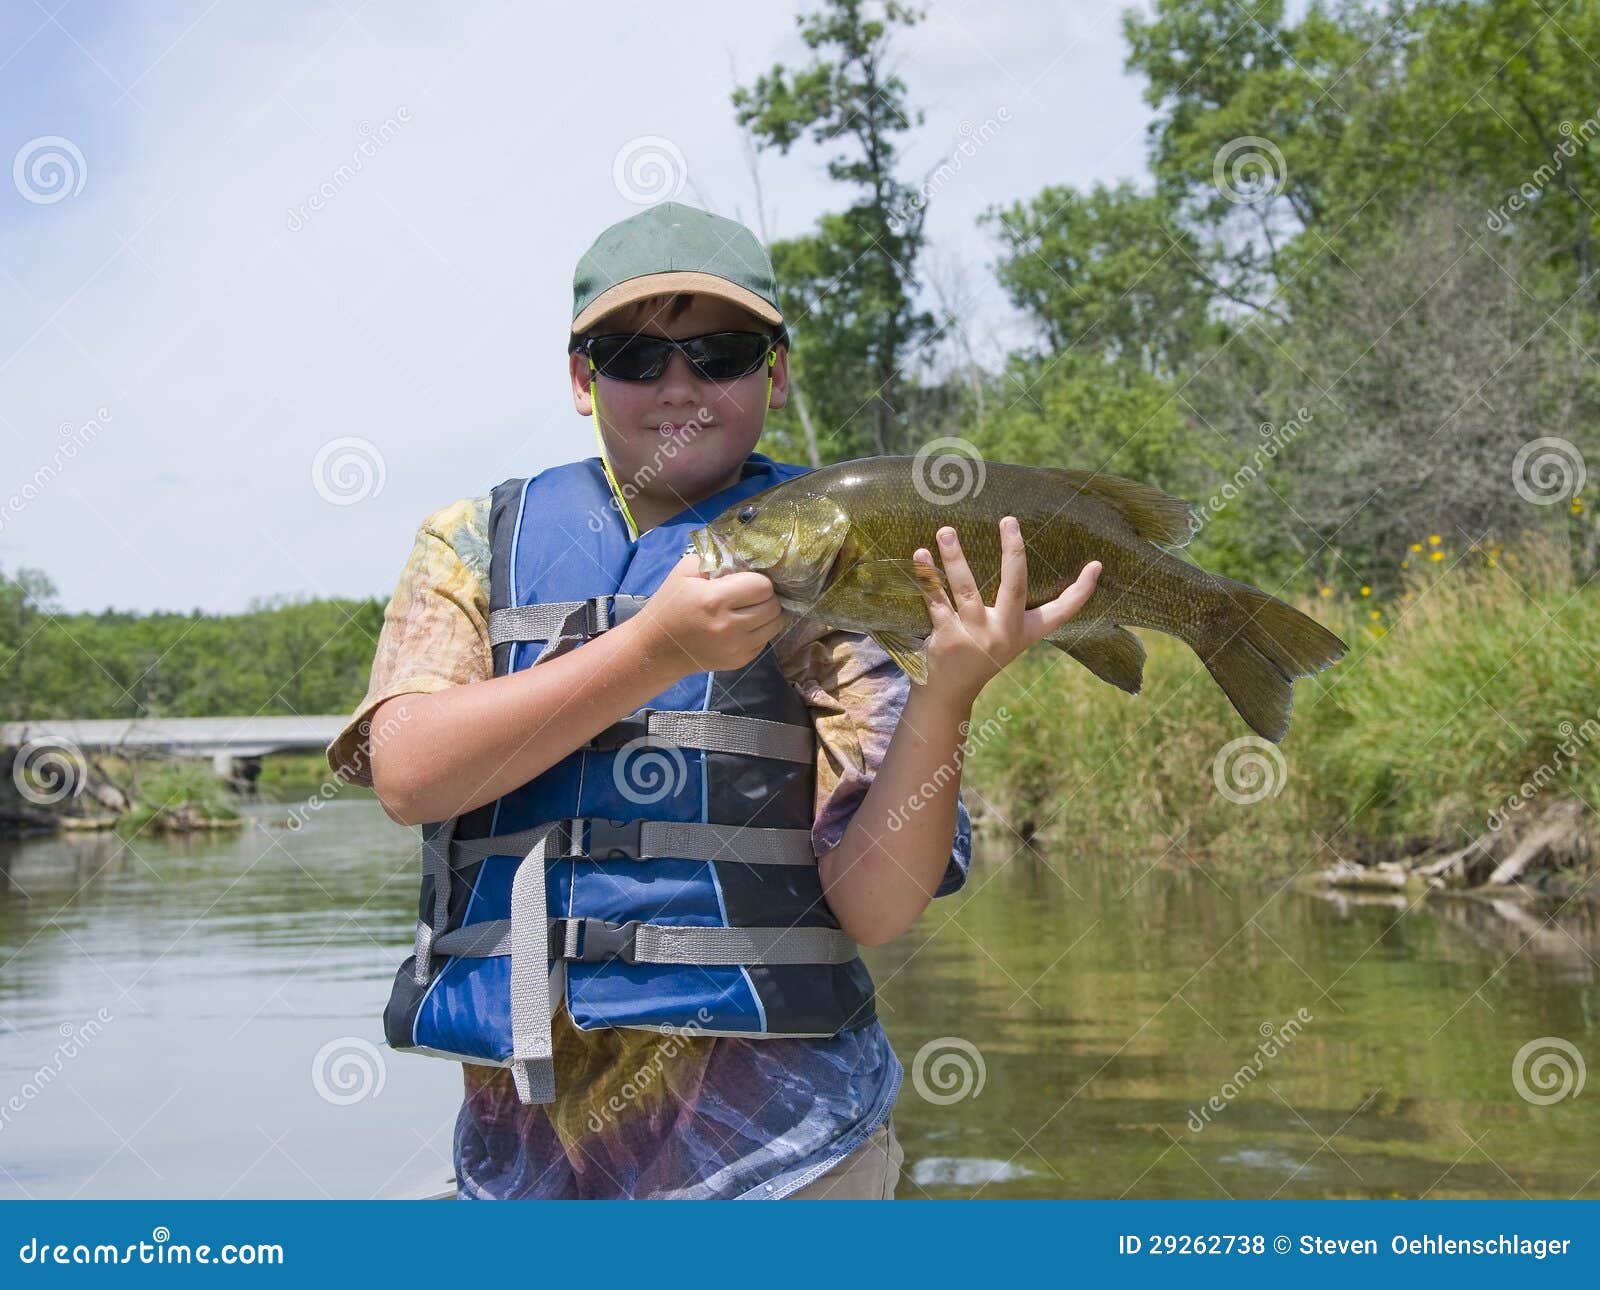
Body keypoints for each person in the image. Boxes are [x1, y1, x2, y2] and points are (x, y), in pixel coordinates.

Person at [324, 201, 1101, 1199]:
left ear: (772, 376)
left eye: (721, 353)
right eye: (633, 356)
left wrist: (948, 694)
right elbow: (409, 773)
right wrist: (654, 649)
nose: (679, 386)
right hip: (527, 1172)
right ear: (580, 378)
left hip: (792, 1162)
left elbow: (875, 903)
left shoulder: (842, 551)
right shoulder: (471, 542)